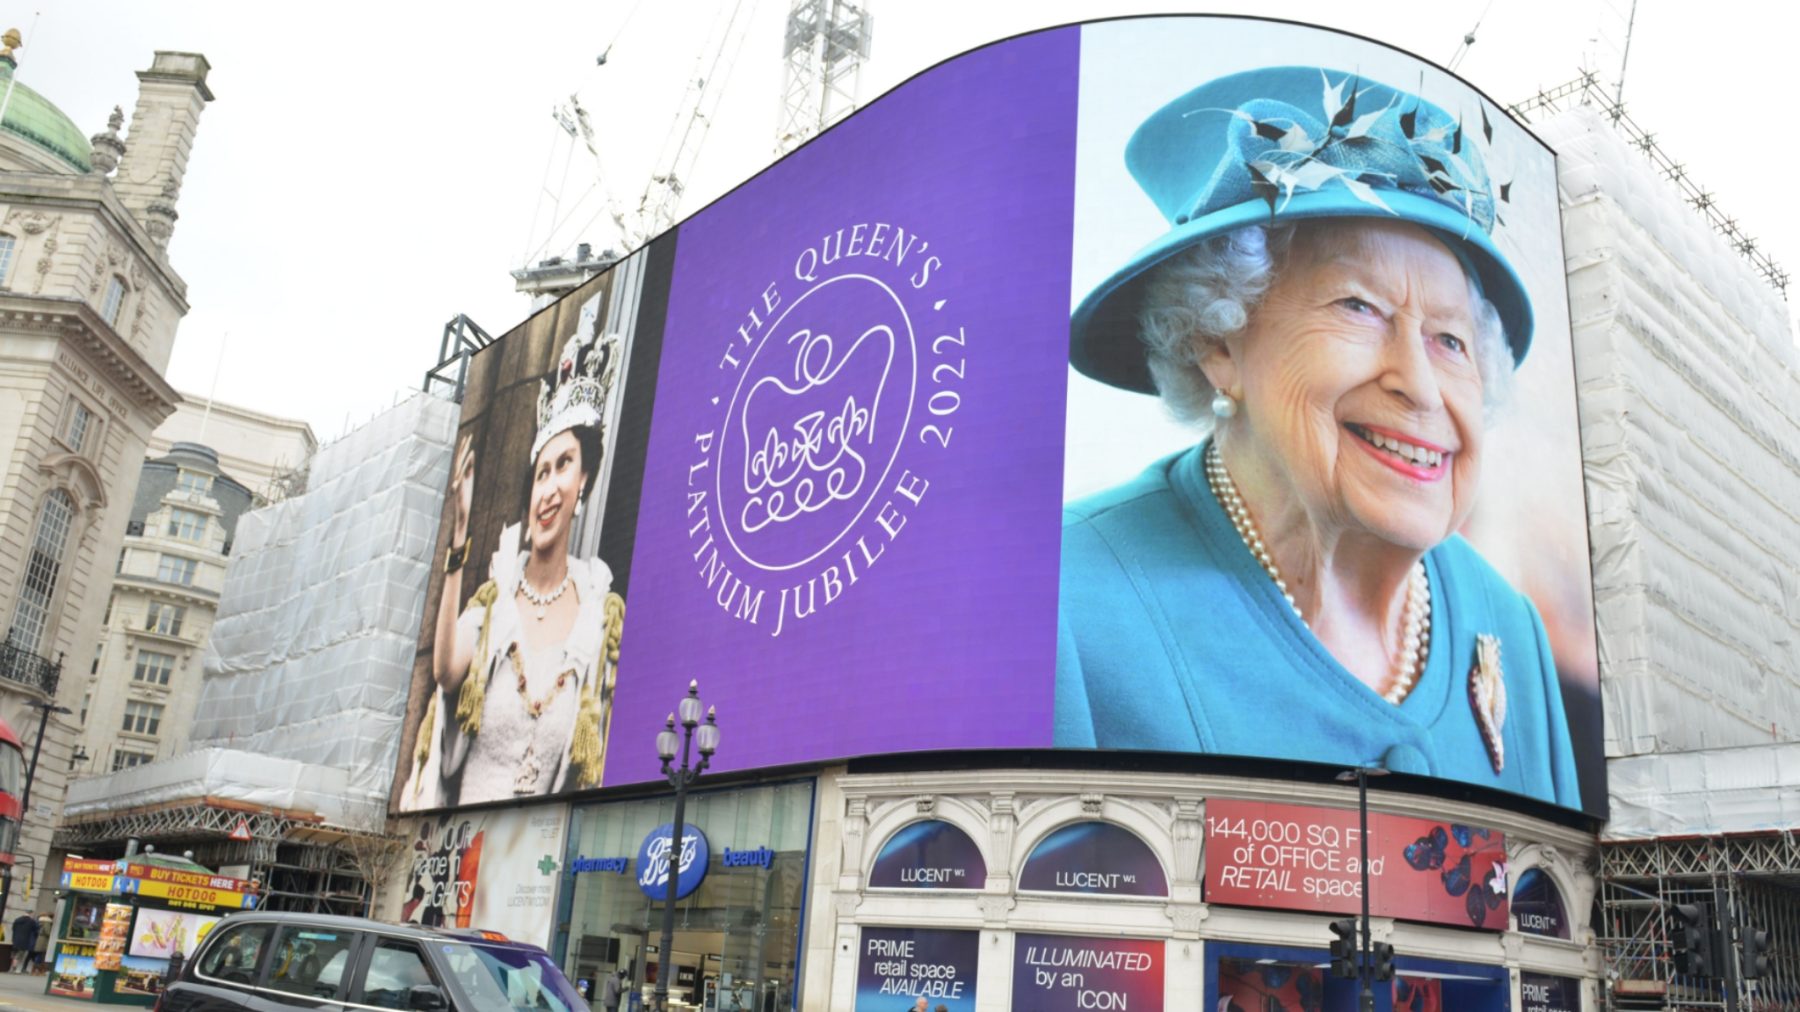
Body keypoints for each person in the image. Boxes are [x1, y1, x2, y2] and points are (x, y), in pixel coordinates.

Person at [1059, 65, 1579, 808]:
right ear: (1220, 342)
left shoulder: (1511, 630)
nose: (1421, 386)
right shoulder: (1069, 608)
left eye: (1451, 340)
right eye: (1359, 306)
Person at [406, 328, 627, 807]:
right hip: (465, 845)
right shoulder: (496, 601)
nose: (548, 490)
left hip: (537, 851)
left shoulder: (598, 616)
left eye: (563, 465)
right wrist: (459, 539)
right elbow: (445, 672)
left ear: (584, 479)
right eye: (541, 473)